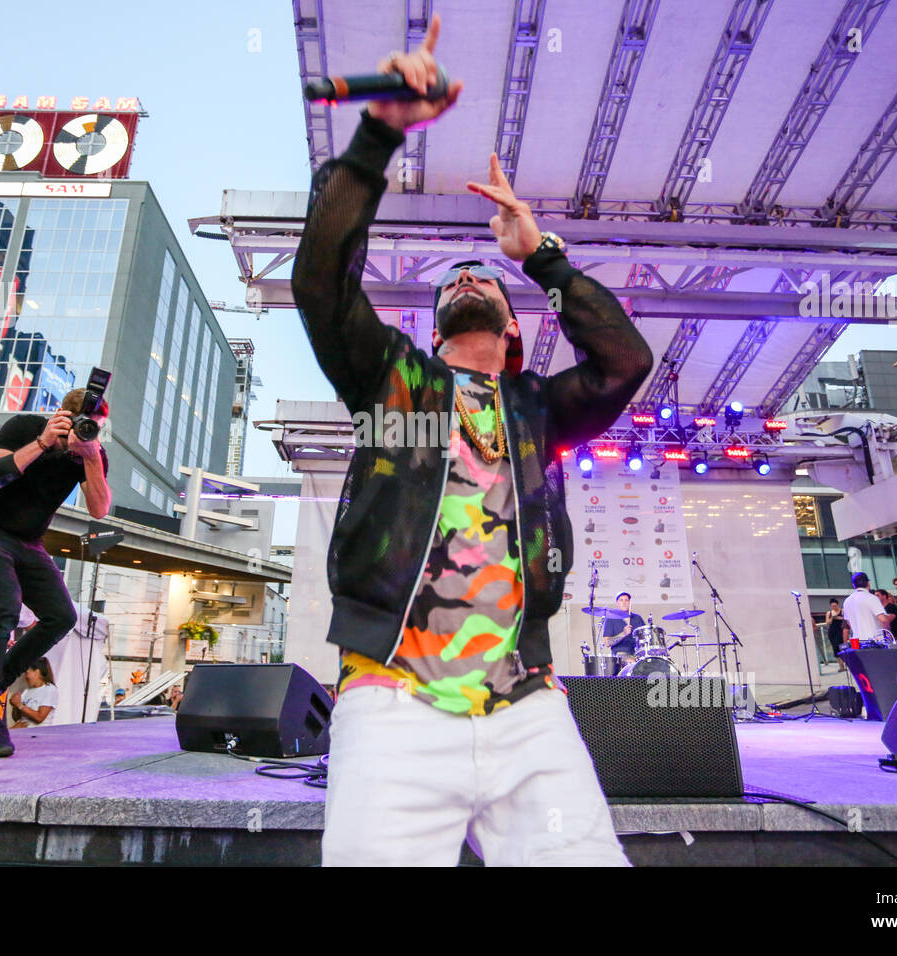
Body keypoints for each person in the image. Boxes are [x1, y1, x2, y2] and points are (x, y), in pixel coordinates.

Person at [292, 15, 652, 867]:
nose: (466, 277)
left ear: (516, 328)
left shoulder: (537, 412)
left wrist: (544, 259)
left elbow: (626, 358)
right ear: (435, 323)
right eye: (452, 279)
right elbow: (319, 278)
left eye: (481, 275)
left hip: (529, 708)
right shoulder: (396, 383)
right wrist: (380, 131)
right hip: (392, 701)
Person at [0, 388, 111, 757]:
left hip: (28, 542)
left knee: (62, 616)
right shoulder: (26, 427)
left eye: (93, 427)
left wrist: (89, 458)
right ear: (59, 416)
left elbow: (100, 509)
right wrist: (42, 442)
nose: (83, 432)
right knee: (5, 606)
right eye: (77, 425)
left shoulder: (90, 452)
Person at [843, 573, 892, 643]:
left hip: (858, 643)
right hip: (876, 642)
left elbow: (848, 622)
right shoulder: (871, 598)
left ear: (853, 585)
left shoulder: (847, 601)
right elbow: (883, 620)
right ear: (868, 583)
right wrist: (888, 637)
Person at [9, 658, 57, 728]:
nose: (25, 677)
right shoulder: (27, 690)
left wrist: (19, 704)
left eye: (27, 673)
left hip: (38, 735)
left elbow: (39, 718)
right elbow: (17, 717)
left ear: (37, 672)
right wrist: (14, 706)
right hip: (23, 733)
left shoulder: (49, 689)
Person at [602, 590, 646, 658]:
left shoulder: (637, 618)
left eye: (626, 600)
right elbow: (607, 643)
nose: (624, 602)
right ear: (617, 603)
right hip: (619, 654)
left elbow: (645, 636)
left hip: (637, 653)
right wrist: (623, 634)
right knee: (631, 660)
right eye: (621, 600)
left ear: (629, 603)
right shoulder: (611, 619)